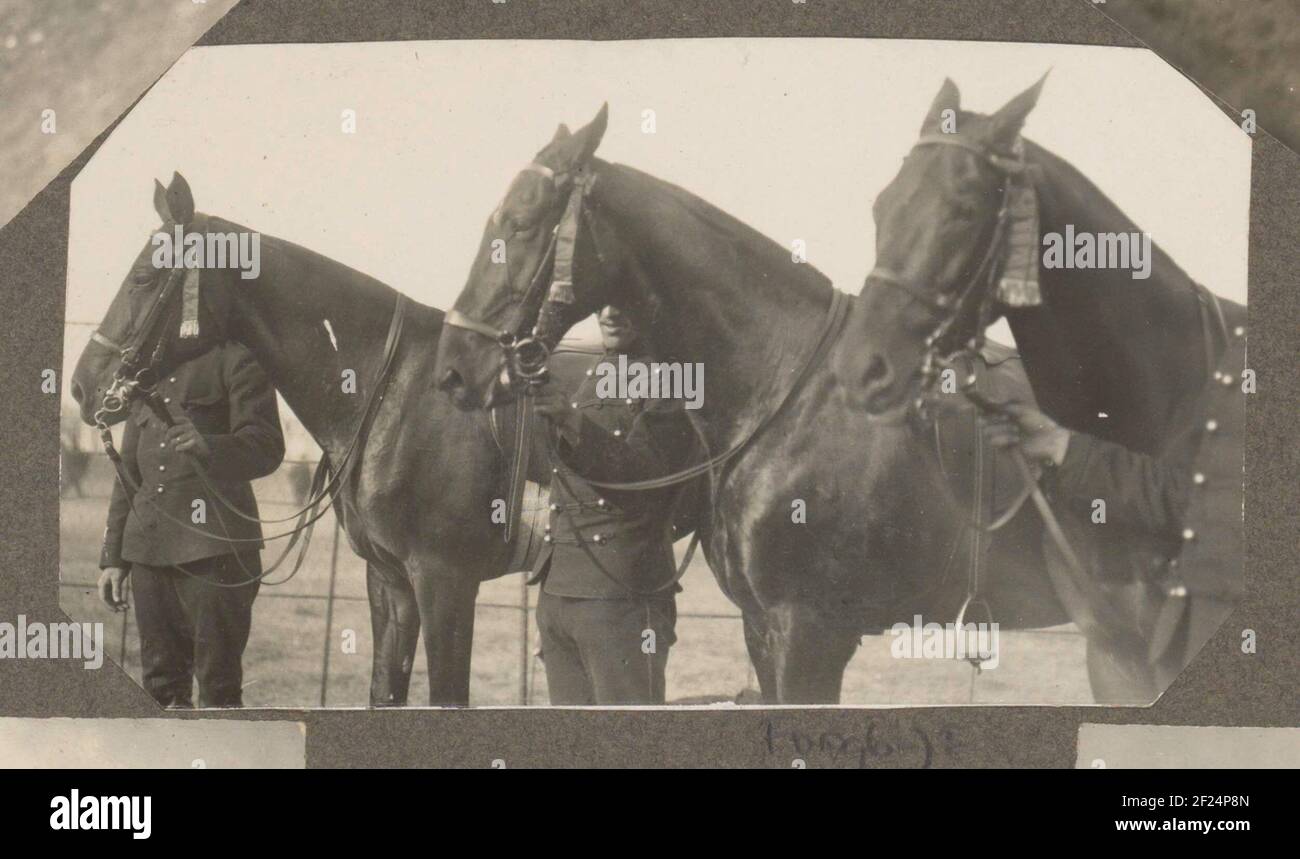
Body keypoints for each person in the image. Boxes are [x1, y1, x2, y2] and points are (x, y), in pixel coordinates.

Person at [97, 341, 284, 708]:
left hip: (216, 549)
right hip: (149, 552)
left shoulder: (237, 357)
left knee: (218, 687)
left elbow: (267, 447)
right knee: (160, 688)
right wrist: (113, 559)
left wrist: (209, 446)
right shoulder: (143, 370)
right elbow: (128, 473)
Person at [529, 304, 697, 705]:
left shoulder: (669, 377)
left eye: (625, 298)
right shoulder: (598, 371)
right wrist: (554, 607)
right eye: (602, 299)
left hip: (620, 600)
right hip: (561, 596)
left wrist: (570, 420)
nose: (610, 312)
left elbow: (644, 482)